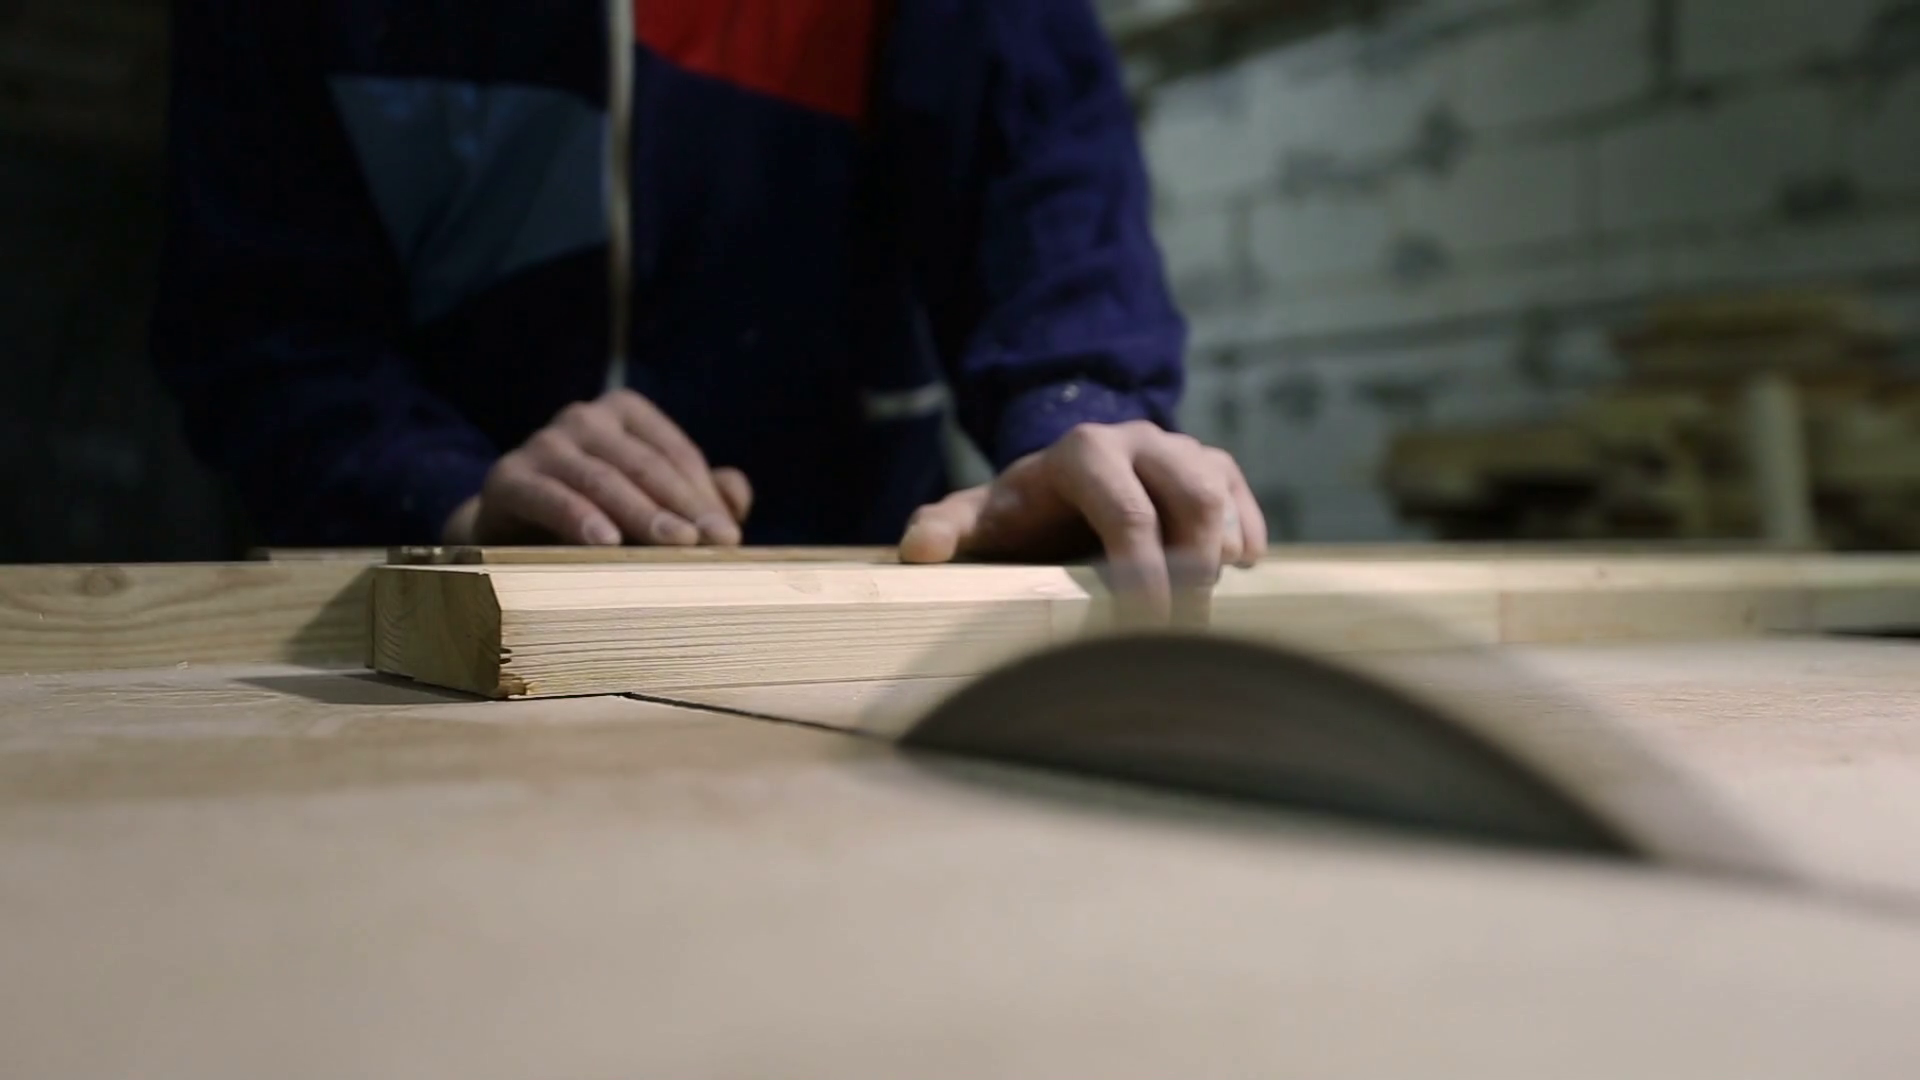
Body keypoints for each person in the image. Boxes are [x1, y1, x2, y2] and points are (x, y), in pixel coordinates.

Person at [151, 0, 1266, 612]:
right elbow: (264, 325)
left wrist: (1081, 414)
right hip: (424, 631)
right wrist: (443, 499)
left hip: (857, 617)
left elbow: (1048, 184)